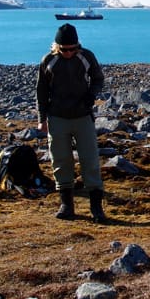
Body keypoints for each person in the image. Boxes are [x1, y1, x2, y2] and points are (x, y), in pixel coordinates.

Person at [36, 23, 106, 223]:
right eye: (64, 50)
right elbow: (41, 91)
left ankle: (96, 208)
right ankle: (66, 205)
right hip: (57, 117)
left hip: (82, 116)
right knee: (60, 160)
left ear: (77, 46)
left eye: (72, 49)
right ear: (57, 47)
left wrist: (91, 95)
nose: (68, 53)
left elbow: (98, 78)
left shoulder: (86, 56)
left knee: (90, 160)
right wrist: (42, 119)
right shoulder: (48, 61)